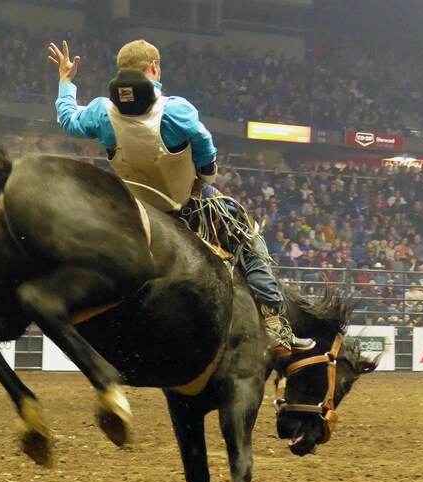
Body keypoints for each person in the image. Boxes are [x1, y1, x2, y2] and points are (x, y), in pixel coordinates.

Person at [49, 39, 313, 357]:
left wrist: (66, 81)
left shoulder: (100, 112)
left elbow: (68, 121)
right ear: (154, 67)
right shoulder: (176, 109)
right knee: (247, 241)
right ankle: (275, 327)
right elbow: (205, 148)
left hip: (135, 212)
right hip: (186, 206)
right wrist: (205, 177)